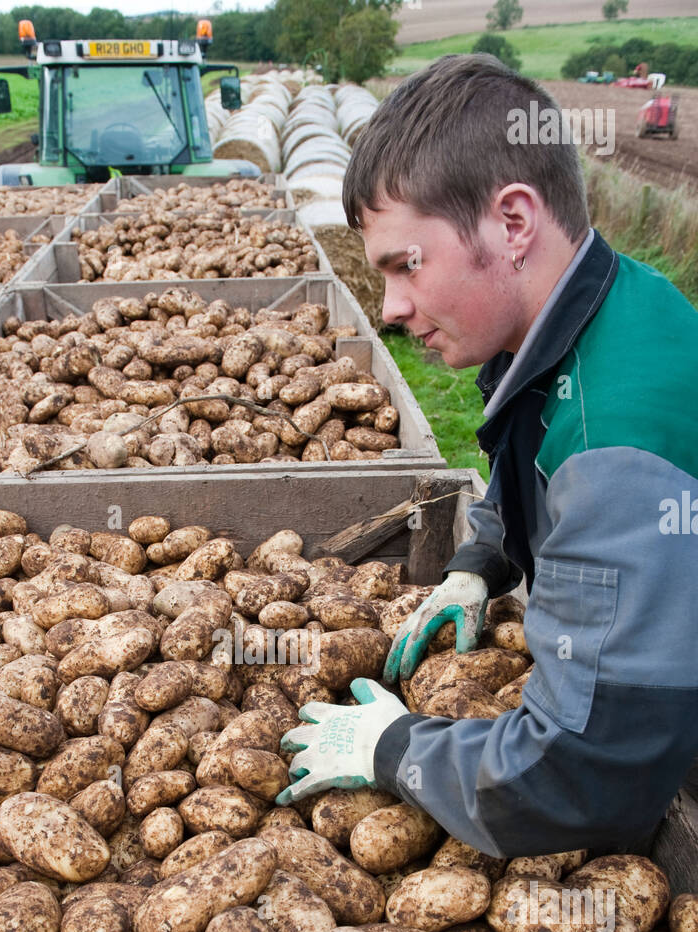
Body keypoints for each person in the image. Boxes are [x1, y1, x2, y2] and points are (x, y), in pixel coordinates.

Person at [276, 53, 698, 857]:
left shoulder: (619, 448)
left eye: (407, 266)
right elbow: (529, 462)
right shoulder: (583, 313)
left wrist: (394, 749)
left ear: (512, 222)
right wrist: (481, 560)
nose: (392, 309)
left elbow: (591, 772)